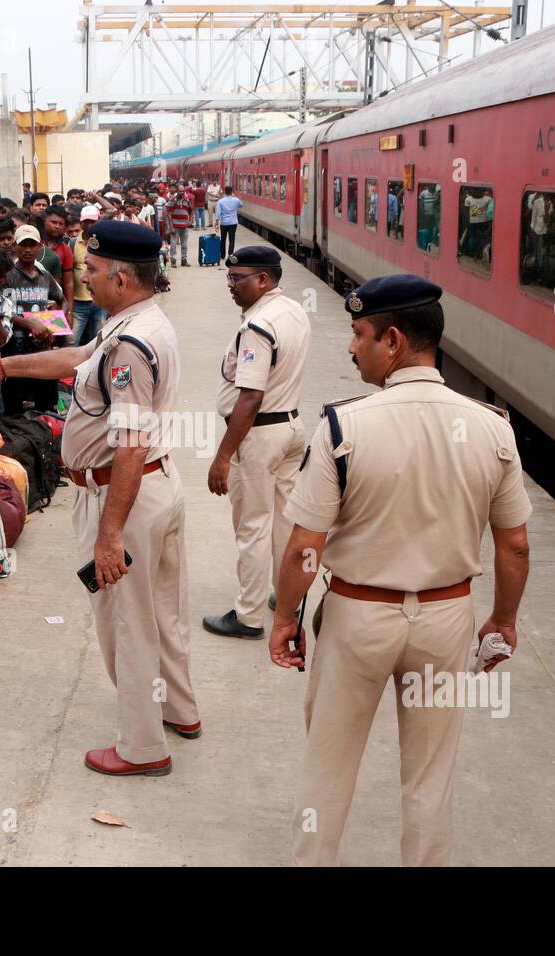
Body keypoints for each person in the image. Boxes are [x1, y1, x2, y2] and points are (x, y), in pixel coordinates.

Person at [269, 274, 532, 867]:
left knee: (328, 768)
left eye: (359, 334)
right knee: (430, 776)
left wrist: (285, 616)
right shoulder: (492, 427)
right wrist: (504, 619)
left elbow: (303, 547)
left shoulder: (345, 425)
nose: (351, 346)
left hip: (360, 618)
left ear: (392, 341)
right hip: (445, 618)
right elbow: (514, 545)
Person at [0, 220, 199, 777]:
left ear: (119, 276)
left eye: (91, 269)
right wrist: (3, 365)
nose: (83, 278)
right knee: (162, 610)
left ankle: (142, 747)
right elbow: (76, 358)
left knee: (127, 622)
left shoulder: (130, 345)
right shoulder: (134, 325)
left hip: (123, 498)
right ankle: (179, 711)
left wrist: (110, 537)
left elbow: (129, 446)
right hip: (152, 490)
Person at [203, 246, 311, 638]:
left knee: (253, 527)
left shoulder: (258, 326)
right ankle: (288, 599)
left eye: (238, 278)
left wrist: (224, 456)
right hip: (290, 429)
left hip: (260, 434)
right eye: (230, 278)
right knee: (284, 522)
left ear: (263, 280)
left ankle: (248, 616)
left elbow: (251, 395)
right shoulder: (294, 311)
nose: (231, 285)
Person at [0, 224, 62, 412]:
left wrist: (55, 326)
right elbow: (1, 311)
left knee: (45, 401)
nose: (28, 250)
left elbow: (61, 300)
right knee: (14, 401)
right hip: (14, 348)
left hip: (41, 348)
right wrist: (28, 323)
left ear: (40, 246)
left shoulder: (44, 276)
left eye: (32, 245)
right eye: (23, 245)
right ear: (15, 246)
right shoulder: (8, 276)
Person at [72, 209, 107, 347]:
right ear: (81, 223)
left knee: (98, 342)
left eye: (92, 221)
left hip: (100, 301)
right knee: (71, 341)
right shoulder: (73, 243)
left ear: (99, 221)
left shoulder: (105, 243)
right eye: (86, 222)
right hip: (78, 302)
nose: (89, 225)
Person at [43, 206, 76, 315]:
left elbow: (68, 282)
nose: (57, 226)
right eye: (53, 222)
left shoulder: (66, 250)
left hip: (55, 304)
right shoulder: (33, 244)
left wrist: (70, 312)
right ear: (45, 221)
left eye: (60, 224)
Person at [215, 186, 243, 264]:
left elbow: (218, 213)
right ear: (231, 192)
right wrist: (235, 197)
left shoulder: (220, 201)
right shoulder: (236, 200)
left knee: (223, 239)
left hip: (224, 223)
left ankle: (222, 255)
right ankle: (230, 255)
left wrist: (216, 222)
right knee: (232, 239)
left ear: (224, 191)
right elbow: (241, 205)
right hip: (233, 223)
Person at [165, 190, 193, 267]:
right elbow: (169, 214)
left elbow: (191, 211)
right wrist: (171, 227)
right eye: (180, 191)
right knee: (173, 244)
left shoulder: (187, 201)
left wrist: (190, 220)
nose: (181, 193)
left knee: (184, 245)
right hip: (175, 227)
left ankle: (184, 260)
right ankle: (173, 261)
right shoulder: (172, 201)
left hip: (185, 227)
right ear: (177, 191)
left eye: (182, 191)